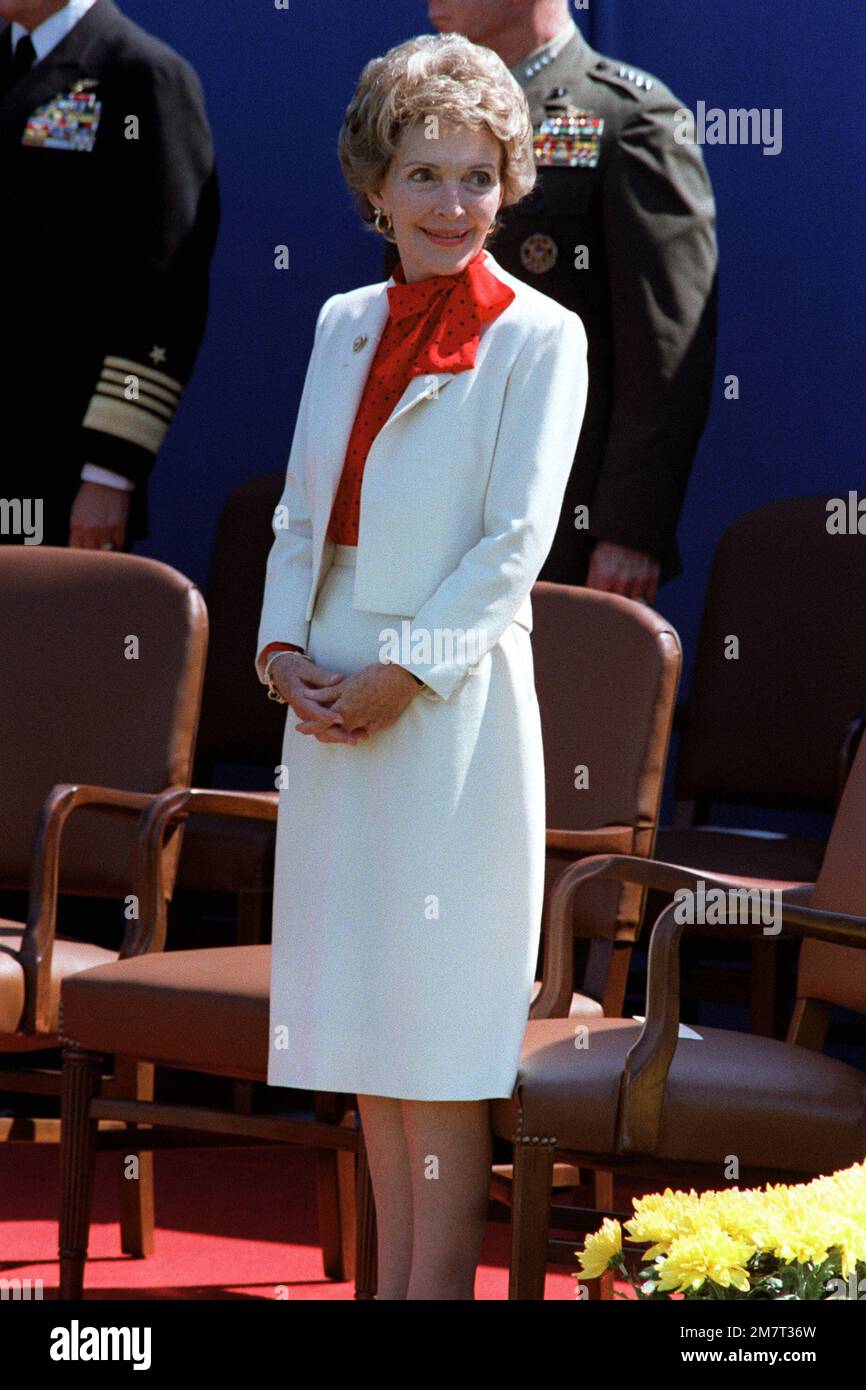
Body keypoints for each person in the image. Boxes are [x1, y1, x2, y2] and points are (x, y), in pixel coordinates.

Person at [255, 33, 587, 1299]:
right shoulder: (340, 320)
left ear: (508, 184)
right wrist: (282, 652)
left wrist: (404, 672)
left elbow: (514, 547)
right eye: (426, 174)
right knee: (366, 1039)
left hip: (446, 720)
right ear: (373, 187)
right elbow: (299, 518)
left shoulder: (538, 335)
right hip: (326, 705)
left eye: (479, 175)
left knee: (439, 1049)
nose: (453, 204)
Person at [382, 1, 718, 603]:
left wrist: (628, 532)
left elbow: (665, 352)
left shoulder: (626, 118)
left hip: (559, 516)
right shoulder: (424, 115)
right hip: (431, 507)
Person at [0, 0, 219, 550]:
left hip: (53, 467)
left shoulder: (141, 74)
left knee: (38, 635)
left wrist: (109, 471)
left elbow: (166, 289)